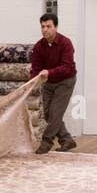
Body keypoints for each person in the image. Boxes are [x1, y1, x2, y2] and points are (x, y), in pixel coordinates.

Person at [30, 12, 77, 153]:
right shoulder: (38, 47)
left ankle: (46, 142)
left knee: (55, 112)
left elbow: (67, 67)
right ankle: (67, 140)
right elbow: (35, 69)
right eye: (43, 26)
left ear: (56, 27)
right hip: (49, 82)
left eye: (48, 26)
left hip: (66, 81)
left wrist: (49, 73)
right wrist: (31, 83)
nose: (45, 29)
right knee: (48, 113)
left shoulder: (66, 43)